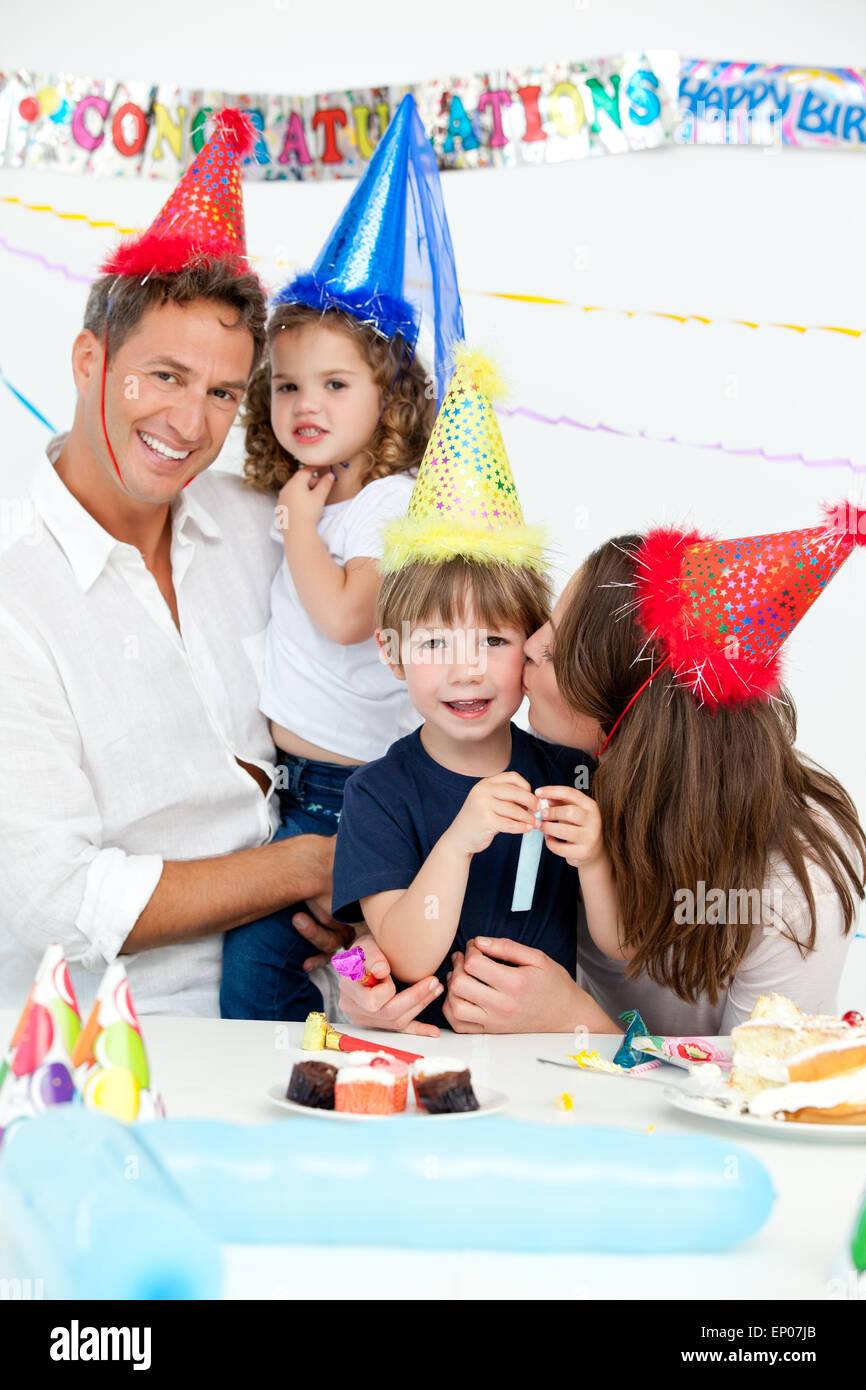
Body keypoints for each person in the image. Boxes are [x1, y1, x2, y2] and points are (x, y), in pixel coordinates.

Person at [0, 112, 347, 1017]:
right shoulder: (14, 597)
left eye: (223, 391)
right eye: (162, 376)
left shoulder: (263, 529)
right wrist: (303, 866)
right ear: (90, 360)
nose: (190, 426)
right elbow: (55, 903)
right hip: (119, 1043)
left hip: (321, 1008)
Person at [336, 513, 866, 1035]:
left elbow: (752, 1094)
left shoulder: (796, 888)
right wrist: (363, 966)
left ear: (620, 711)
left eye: (557, 643)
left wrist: (572, 1022)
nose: (531, 645)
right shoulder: (582, 776)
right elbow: (392, 892)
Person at [219, 92, 463, 1020]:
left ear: (389, 395)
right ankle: (295, 1102)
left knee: (290, 967)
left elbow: (348, 615)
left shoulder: (383, 505)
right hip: (294, 793)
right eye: (285, 385)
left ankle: (362, 1103)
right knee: (282, 967)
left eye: (333, 383)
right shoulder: (328, 495)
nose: (304, 404)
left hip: (359, 790)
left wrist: (295, 521)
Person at [330, 351, 600, 1029]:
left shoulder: (573, 774)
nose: (466, 669)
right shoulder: (379, 794)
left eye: (494, 641)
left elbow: (622, 947)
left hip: (549, 1061)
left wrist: (596, 859)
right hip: (424, 1058)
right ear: (391, 653)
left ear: (534, 645)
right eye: (433, 644)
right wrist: (457, 842)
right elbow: (407, 955)